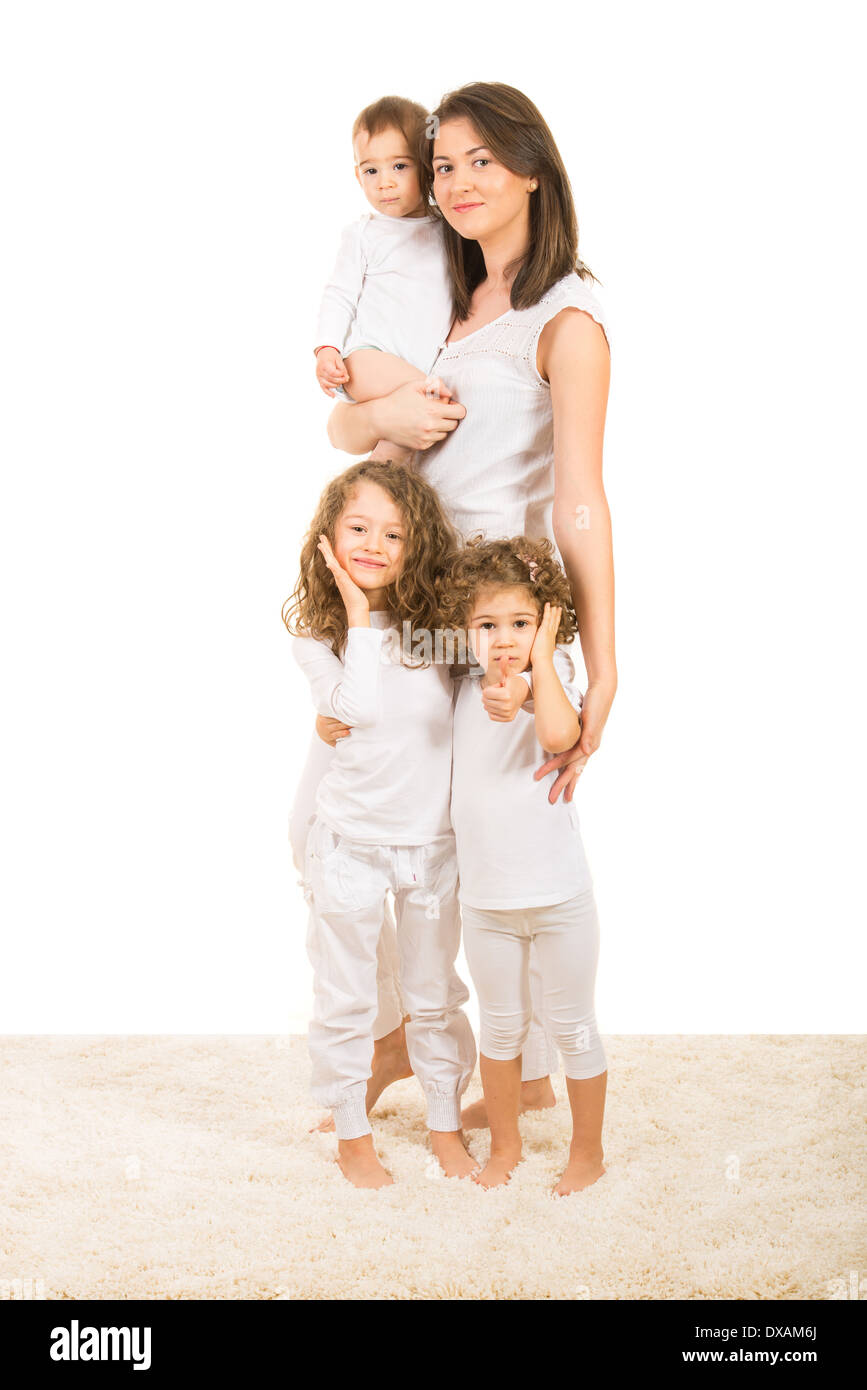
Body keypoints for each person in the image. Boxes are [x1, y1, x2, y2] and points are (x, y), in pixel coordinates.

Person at [324, 81, 616, 1131]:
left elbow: (579, 498)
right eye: (441, 163)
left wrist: (601, 665)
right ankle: (428, 1032)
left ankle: (500, 1057)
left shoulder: (566, 317)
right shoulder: (446, 305)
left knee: (484, 846)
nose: (453, 181)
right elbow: (349, 430)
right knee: (354, 825)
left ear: (534, 168)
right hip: (411, 610)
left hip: (495, 620)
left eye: (479, 160)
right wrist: (378, 409)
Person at [283, 459, 477, 1188]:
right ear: (329, 537)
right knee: (346, 995)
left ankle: (444, 1122)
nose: (374, 544)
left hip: (429, 849)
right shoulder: (320, 639)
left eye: (393, 534)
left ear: (416, 545)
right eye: (358, 528)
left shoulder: (433, 638)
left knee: (434, 994)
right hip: (348, 846)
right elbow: (355, 710)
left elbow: (500, 664)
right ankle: (353, 1139)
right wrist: (359, 620)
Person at [442, 535, 607, 1195]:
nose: (503, 639)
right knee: (501, 1025)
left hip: (559, 896)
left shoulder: (553, 677)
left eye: (520, 622)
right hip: (486, 903)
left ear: (544, 623)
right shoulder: (459, 686)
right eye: (487, 625)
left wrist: (537, 666)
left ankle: (587, 1152)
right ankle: (505, 1145)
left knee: (570, 1023)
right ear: (463, 629)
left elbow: (560, 736)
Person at [313, 94, 452, 464]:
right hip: (366, 361)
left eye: (399, 167)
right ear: (357, 176)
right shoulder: (364, 235)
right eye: (371, 171)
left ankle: (373, 492)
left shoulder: (449, 230)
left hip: (418, 369)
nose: (385, 183)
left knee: (402, 442)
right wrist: (326, 348)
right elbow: (339, 295)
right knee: (433, 403)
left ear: (426, 167)